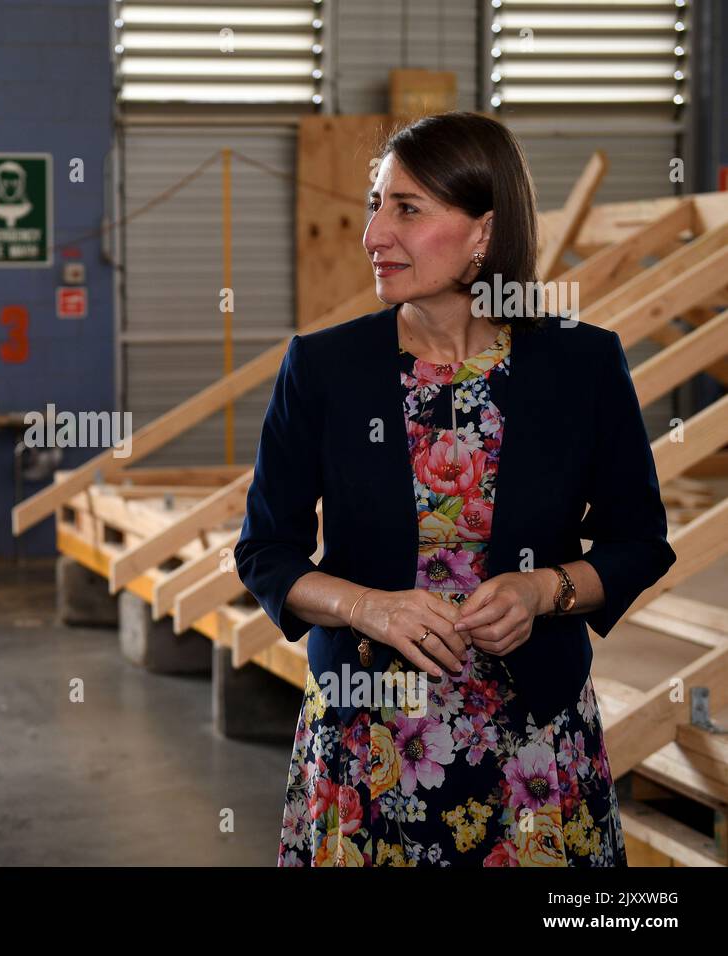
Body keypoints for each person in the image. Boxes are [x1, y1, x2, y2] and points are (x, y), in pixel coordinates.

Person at [234, 111, 676, 867]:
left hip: (532, 742)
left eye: (406, 208)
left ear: (484, 232)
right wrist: (365, 605)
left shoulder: (582, 366)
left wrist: (546, 592)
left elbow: (639, 543)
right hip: (370, 740)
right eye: (376, 204)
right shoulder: (323, 368)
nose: (374, 233)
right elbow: (265, 553)